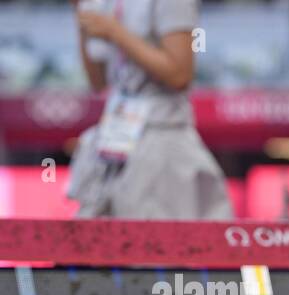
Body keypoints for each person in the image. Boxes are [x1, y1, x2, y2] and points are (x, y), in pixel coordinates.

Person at [68, 0, 232, 219]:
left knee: (156, 242)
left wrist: (115, 32)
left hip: (163, 138)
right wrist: (82, 16)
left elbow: (180, 74)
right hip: (115, 135)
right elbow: (97, 82)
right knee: (97, 240)